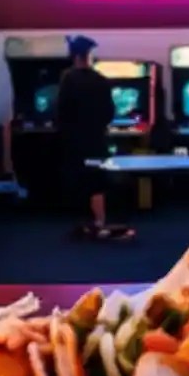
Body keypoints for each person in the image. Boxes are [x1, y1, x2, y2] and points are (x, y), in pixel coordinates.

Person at [55, 35, 134, 241]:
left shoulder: (68, 78)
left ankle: (83, 224)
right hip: (96, 139)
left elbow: (61, 112)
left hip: (74, 141)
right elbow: (109, 112)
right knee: (96, 180)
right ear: (88, 55)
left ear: (74, 56)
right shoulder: (100, 79)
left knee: (78, 179)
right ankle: (100, 221)